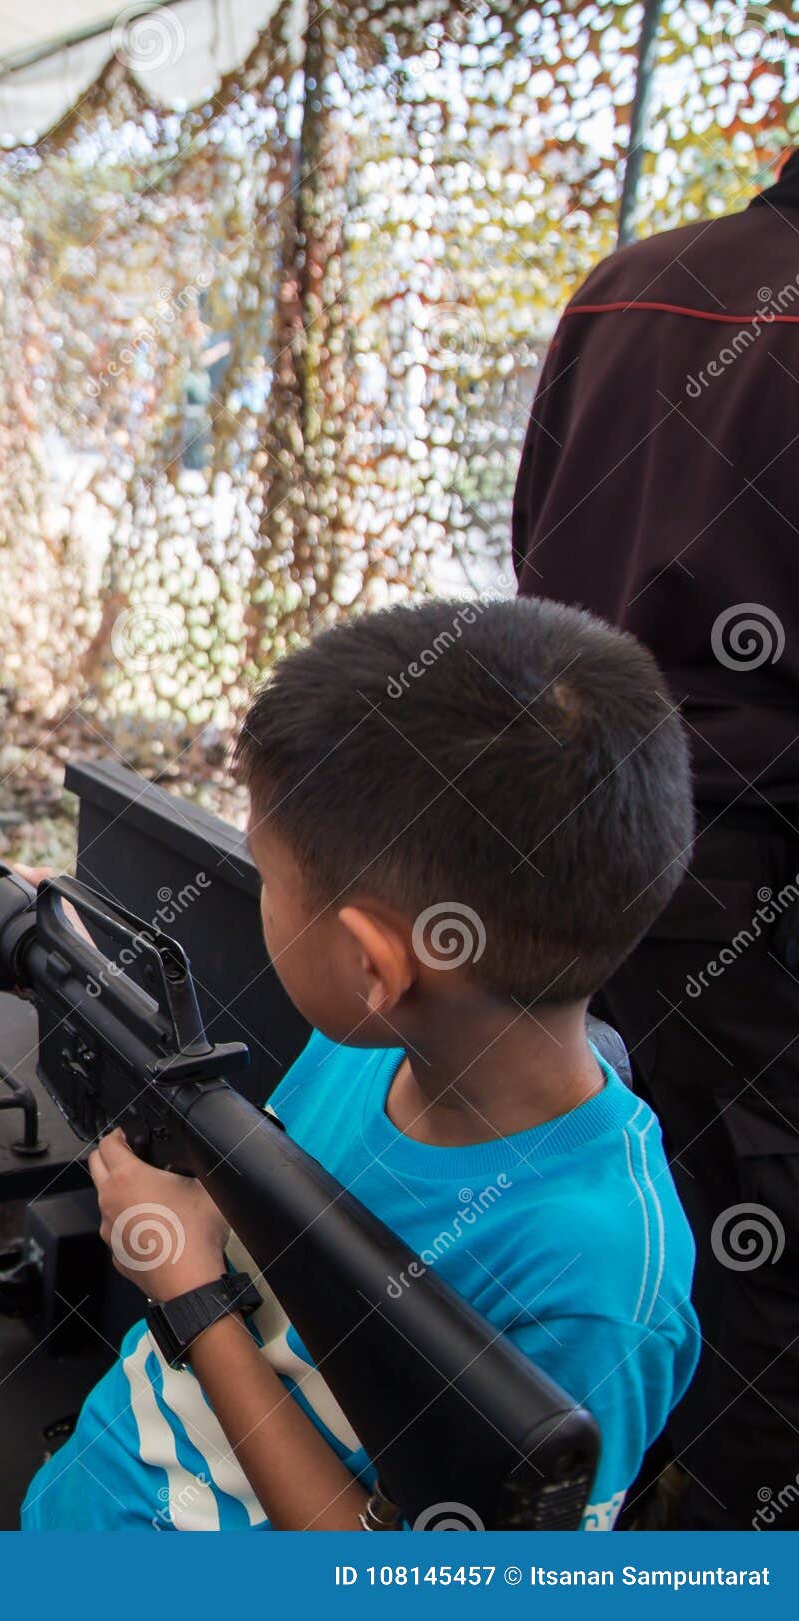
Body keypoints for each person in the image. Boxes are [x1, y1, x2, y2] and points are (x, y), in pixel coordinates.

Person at [0, 598, 700, 1530]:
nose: (259, 899)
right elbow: (260, 1234)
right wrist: (61, 976)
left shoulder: (602, 1292)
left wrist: (193, 1294)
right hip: (89, 1501)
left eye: (267, 877)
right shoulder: (369, 1049)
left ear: (373, 965)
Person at [513, 157, 799, 1530]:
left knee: (625, 1179)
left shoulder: (629, 285)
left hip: (577, 823)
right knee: (769, 1282)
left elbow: (537, 553)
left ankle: (603, 1484)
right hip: (752, 869)